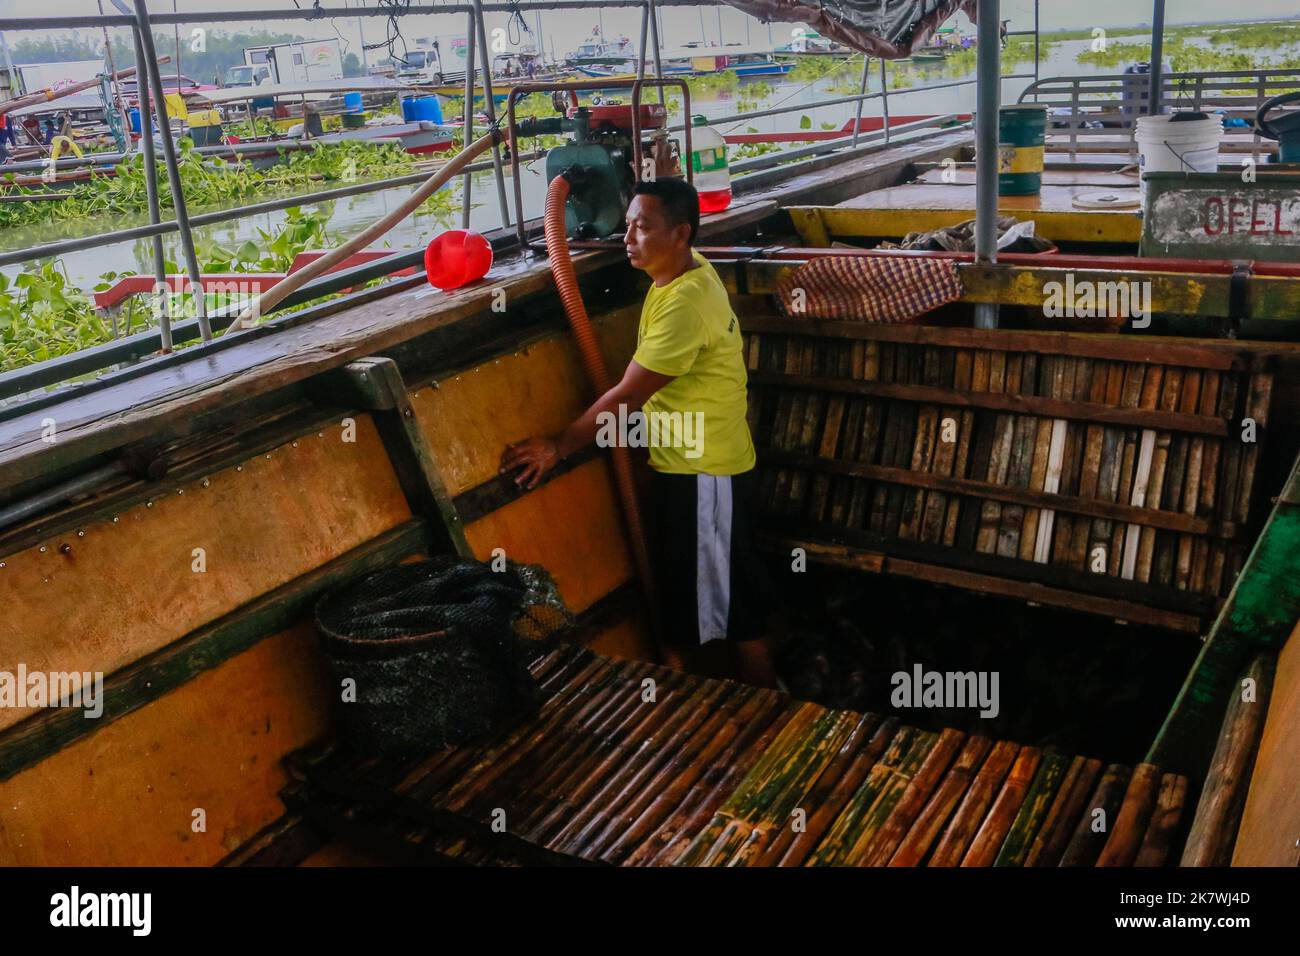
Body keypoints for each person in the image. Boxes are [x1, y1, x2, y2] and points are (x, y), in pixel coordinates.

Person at [500, 178, 781, 688]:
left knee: (734, 609)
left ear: (680, 234)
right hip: (697, 462)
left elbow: (627, 396)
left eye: (642, 227)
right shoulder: (681, 273)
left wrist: (558, 447)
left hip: (705, 471)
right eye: (627, 224)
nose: (627, 237)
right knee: (717, 597)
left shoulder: (684, 305)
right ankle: (739, 698)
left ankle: (767, 708)